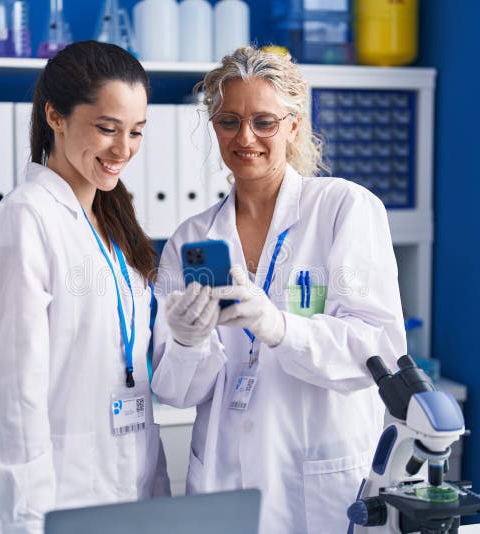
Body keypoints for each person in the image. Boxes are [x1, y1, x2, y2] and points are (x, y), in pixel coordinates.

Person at [151, 46, 406, 533]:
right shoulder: (192, 239)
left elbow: (381, 351)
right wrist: (186, 342)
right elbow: (176, 392)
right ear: (214, 126)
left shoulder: (343, 209)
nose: (245, 137)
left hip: (317, 486)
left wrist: (280, 328)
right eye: (229, 121)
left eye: (264, 122)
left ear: (293, 126)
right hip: (225, 484)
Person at [0, 41, 170, 534]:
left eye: (136, 132)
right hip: (55, 502)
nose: (123, 150)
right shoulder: (21, 222)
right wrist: (23, 524)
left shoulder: (112, 225)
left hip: (131, 489)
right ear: (55, 116)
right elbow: (13, 404)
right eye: (107, 128)